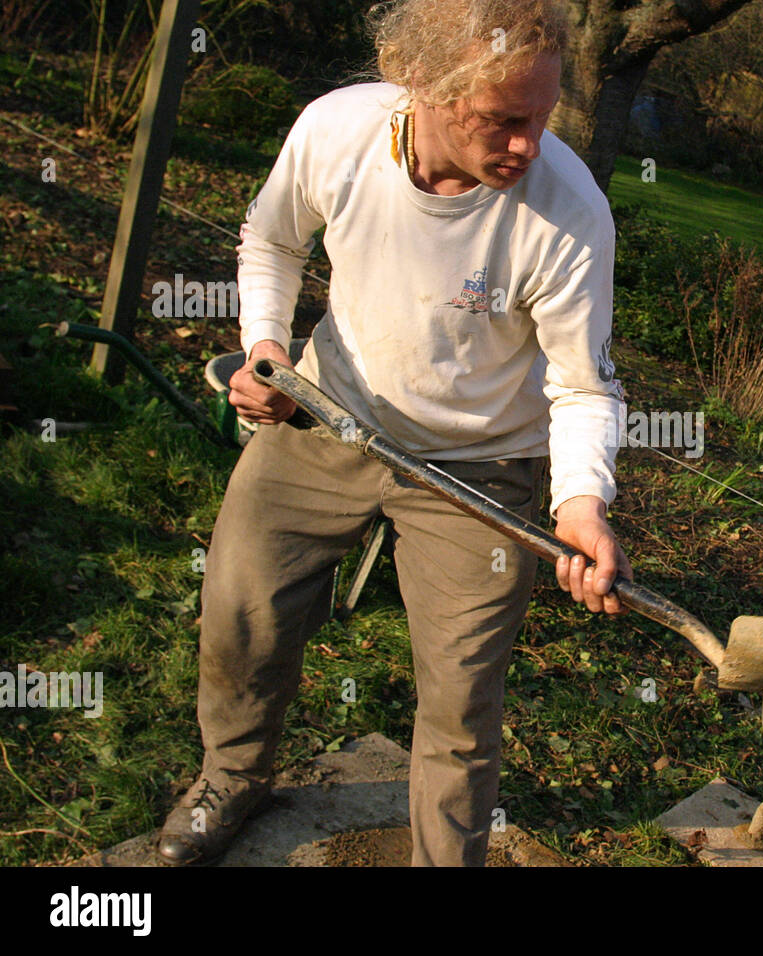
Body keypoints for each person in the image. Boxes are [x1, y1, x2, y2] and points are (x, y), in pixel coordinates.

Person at [157, 0, 631, 867]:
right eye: (503, 120)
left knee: (459, 702)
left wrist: (582, 502)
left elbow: (582, 385)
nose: (528, 145)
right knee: (240, 617)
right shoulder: (336, 134)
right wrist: (267, 346)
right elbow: (270, 238)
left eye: (542, 117)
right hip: (326, 416)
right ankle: (232, 778)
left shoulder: (568, 212)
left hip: (479, 472)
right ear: (422, 87)